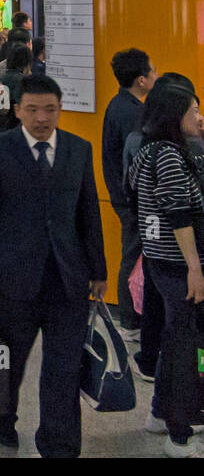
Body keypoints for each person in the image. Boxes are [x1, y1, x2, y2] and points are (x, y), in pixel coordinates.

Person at [0, 75, 106, 457]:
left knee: (64, 366)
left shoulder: (78, 149)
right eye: (33, 109)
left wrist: (99, 270)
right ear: (18, 109)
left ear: (60, 109)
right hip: (15, 274)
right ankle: (2, 416)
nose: (42, 118)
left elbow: (88, 213)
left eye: (50, 109)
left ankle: (59, 444)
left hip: (68, 276)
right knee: (12, 356)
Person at [127, 78, 204, 454]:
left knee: (175, 337)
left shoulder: (146, 150)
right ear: (176, 116)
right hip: (177, 264)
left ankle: (160, 414)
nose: (200, 118)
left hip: (159, 259)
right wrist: (195, 266)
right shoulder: (170, 156)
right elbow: (179, 214)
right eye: (194, 110)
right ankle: (179, 430)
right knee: (181, 344)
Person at [101, 48, 158, 336]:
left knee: (133, 253)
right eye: (153, 71)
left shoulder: (119, 104)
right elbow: (138, 158)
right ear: (141, 80)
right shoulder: (132, 113)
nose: (155, 75)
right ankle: (130, 320)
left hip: (124, 197)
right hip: (132, 200)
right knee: (134, 255)